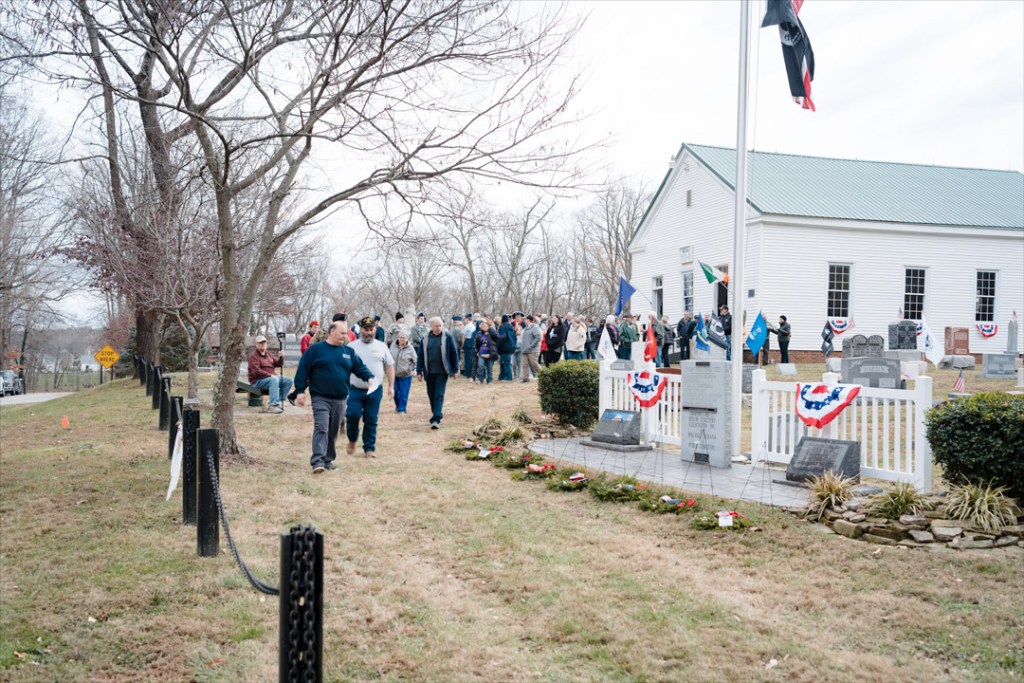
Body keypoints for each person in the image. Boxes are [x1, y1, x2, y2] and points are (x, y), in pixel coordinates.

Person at [291, 321, 374, 474]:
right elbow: (303, 369)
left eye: (345, 333)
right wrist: (300, 391)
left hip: (340, 398)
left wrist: (368, 377)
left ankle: (328, 460)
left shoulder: (348, 352)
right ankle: (317, 462)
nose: (345, 336)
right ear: (332, 332)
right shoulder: (315, 350)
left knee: (333, 430)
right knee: (321, 427)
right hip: (320, 396)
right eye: (342, 333)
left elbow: (359, 367)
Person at [345, 316, 395, 458]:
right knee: (352, 415)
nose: (368, 333)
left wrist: (391, 387)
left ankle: (369, 448)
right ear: (360, 330)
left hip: (375, 390)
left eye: (371, 329)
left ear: (375, 329)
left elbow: (389, 367)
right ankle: (352, 440)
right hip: (355, 388)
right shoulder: (352, 347)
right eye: (365, 329)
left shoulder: (382, 346)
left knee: (371, 418)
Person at [416, 316, 460, 429]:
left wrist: (455, 370)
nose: (439, 327)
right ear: (431, 326)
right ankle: (437, 413)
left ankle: (436, 419)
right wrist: (419, 371)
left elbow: (454, 353)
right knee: (431, 395)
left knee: (438, 395)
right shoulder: (425, 338)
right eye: (437, 326)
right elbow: (420, 355)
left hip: (442, 371)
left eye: (441, 325)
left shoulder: (447, 336)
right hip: (429, 371)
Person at [247, 334, 292, 413]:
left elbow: (278, 364)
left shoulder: (269, 355)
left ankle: (279, 401)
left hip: (270, 378)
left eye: (264, 342)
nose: (263, 344)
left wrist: (281, 357)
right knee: (274, 380)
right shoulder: (253, 356)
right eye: (260, 343)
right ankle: (273, 406)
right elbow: (256, 372)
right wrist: (270, 375)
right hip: (257, 381)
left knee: (289, 380)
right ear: (256, 345)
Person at [389, 330, 417, 413]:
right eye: (400, 337)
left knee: (403, 393)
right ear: (397, 338)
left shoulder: (410, 348)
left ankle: (402, 409)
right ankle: (398, 406)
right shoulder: (393, 346)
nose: (402, 339)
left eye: (404, 338)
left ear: (407, 339)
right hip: (394, 374)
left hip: (405, 375)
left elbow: (415, 361)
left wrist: (413, 369)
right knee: (394, 392)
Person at [520, 315, 541, 381]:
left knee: (534, 364)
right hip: (525, 350)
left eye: (525, 319)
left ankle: (544, 375)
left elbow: (538, 337)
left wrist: (531, 346)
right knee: (524, 365)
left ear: (528, 320)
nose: (524, 320)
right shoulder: (526, 328)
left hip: (532, 350)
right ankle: (526, 378)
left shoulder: (535, 327)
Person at [497, 314, 517, 380]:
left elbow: (502, 337)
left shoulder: (502, 327)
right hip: (512, 346)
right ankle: (502, 376)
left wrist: (498, 344)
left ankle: (509, 377)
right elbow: (515, 337)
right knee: (503, 362)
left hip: (504, 347)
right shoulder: (511, 327)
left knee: (506, 363)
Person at [461, 314, 477, 379]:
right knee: (471, 358)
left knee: (467, 359)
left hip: (468, 341)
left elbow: (463, 336)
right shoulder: (473, 326)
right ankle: (471, 372)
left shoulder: (467, 326)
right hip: (472, 342)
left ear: (467, 319)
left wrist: (462, 344)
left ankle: (467, 373)